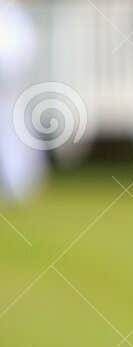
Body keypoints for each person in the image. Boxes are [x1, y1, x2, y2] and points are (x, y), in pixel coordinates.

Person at [0, 0, 46, 202]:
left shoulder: (14, 16)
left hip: (11, 89)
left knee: (16, 134)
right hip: (10, 88)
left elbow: (21, 53)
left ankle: (20, 184)